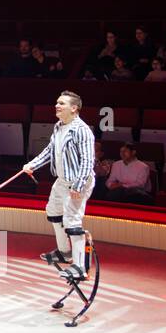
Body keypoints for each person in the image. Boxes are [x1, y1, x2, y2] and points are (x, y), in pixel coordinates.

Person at [23, 91, 96, 279]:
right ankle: (65, 252)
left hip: (79, 181)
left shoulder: (82, 130)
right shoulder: (58, 126)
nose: (57, 105)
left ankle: (80, 267)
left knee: (72, 220)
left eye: (61, 103)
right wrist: (33, 165)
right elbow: (50, 150)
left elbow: (88, 161)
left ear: (74, 108)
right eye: (57, 102)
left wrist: (78, 186)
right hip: (62, 181)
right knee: (53, 211)